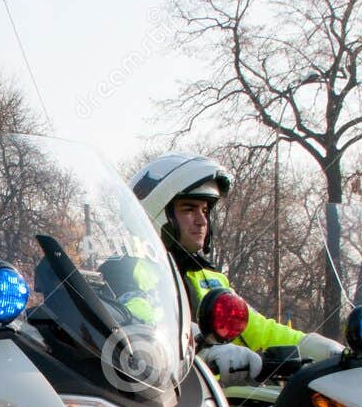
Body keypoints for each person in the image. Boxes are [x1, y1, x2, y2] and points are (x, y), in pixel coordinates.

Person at [130, 153, 312, 385]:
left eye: (205, 211)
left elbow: (256, 328)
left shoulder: (208, 277)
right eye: (189, 209)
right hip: (163, 400)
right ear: (157, 213)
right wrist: (205, 348)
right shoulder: (132, 271)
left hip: (216, 399)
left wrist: (316, 347)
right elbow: (145, 319)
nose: (201, 221)